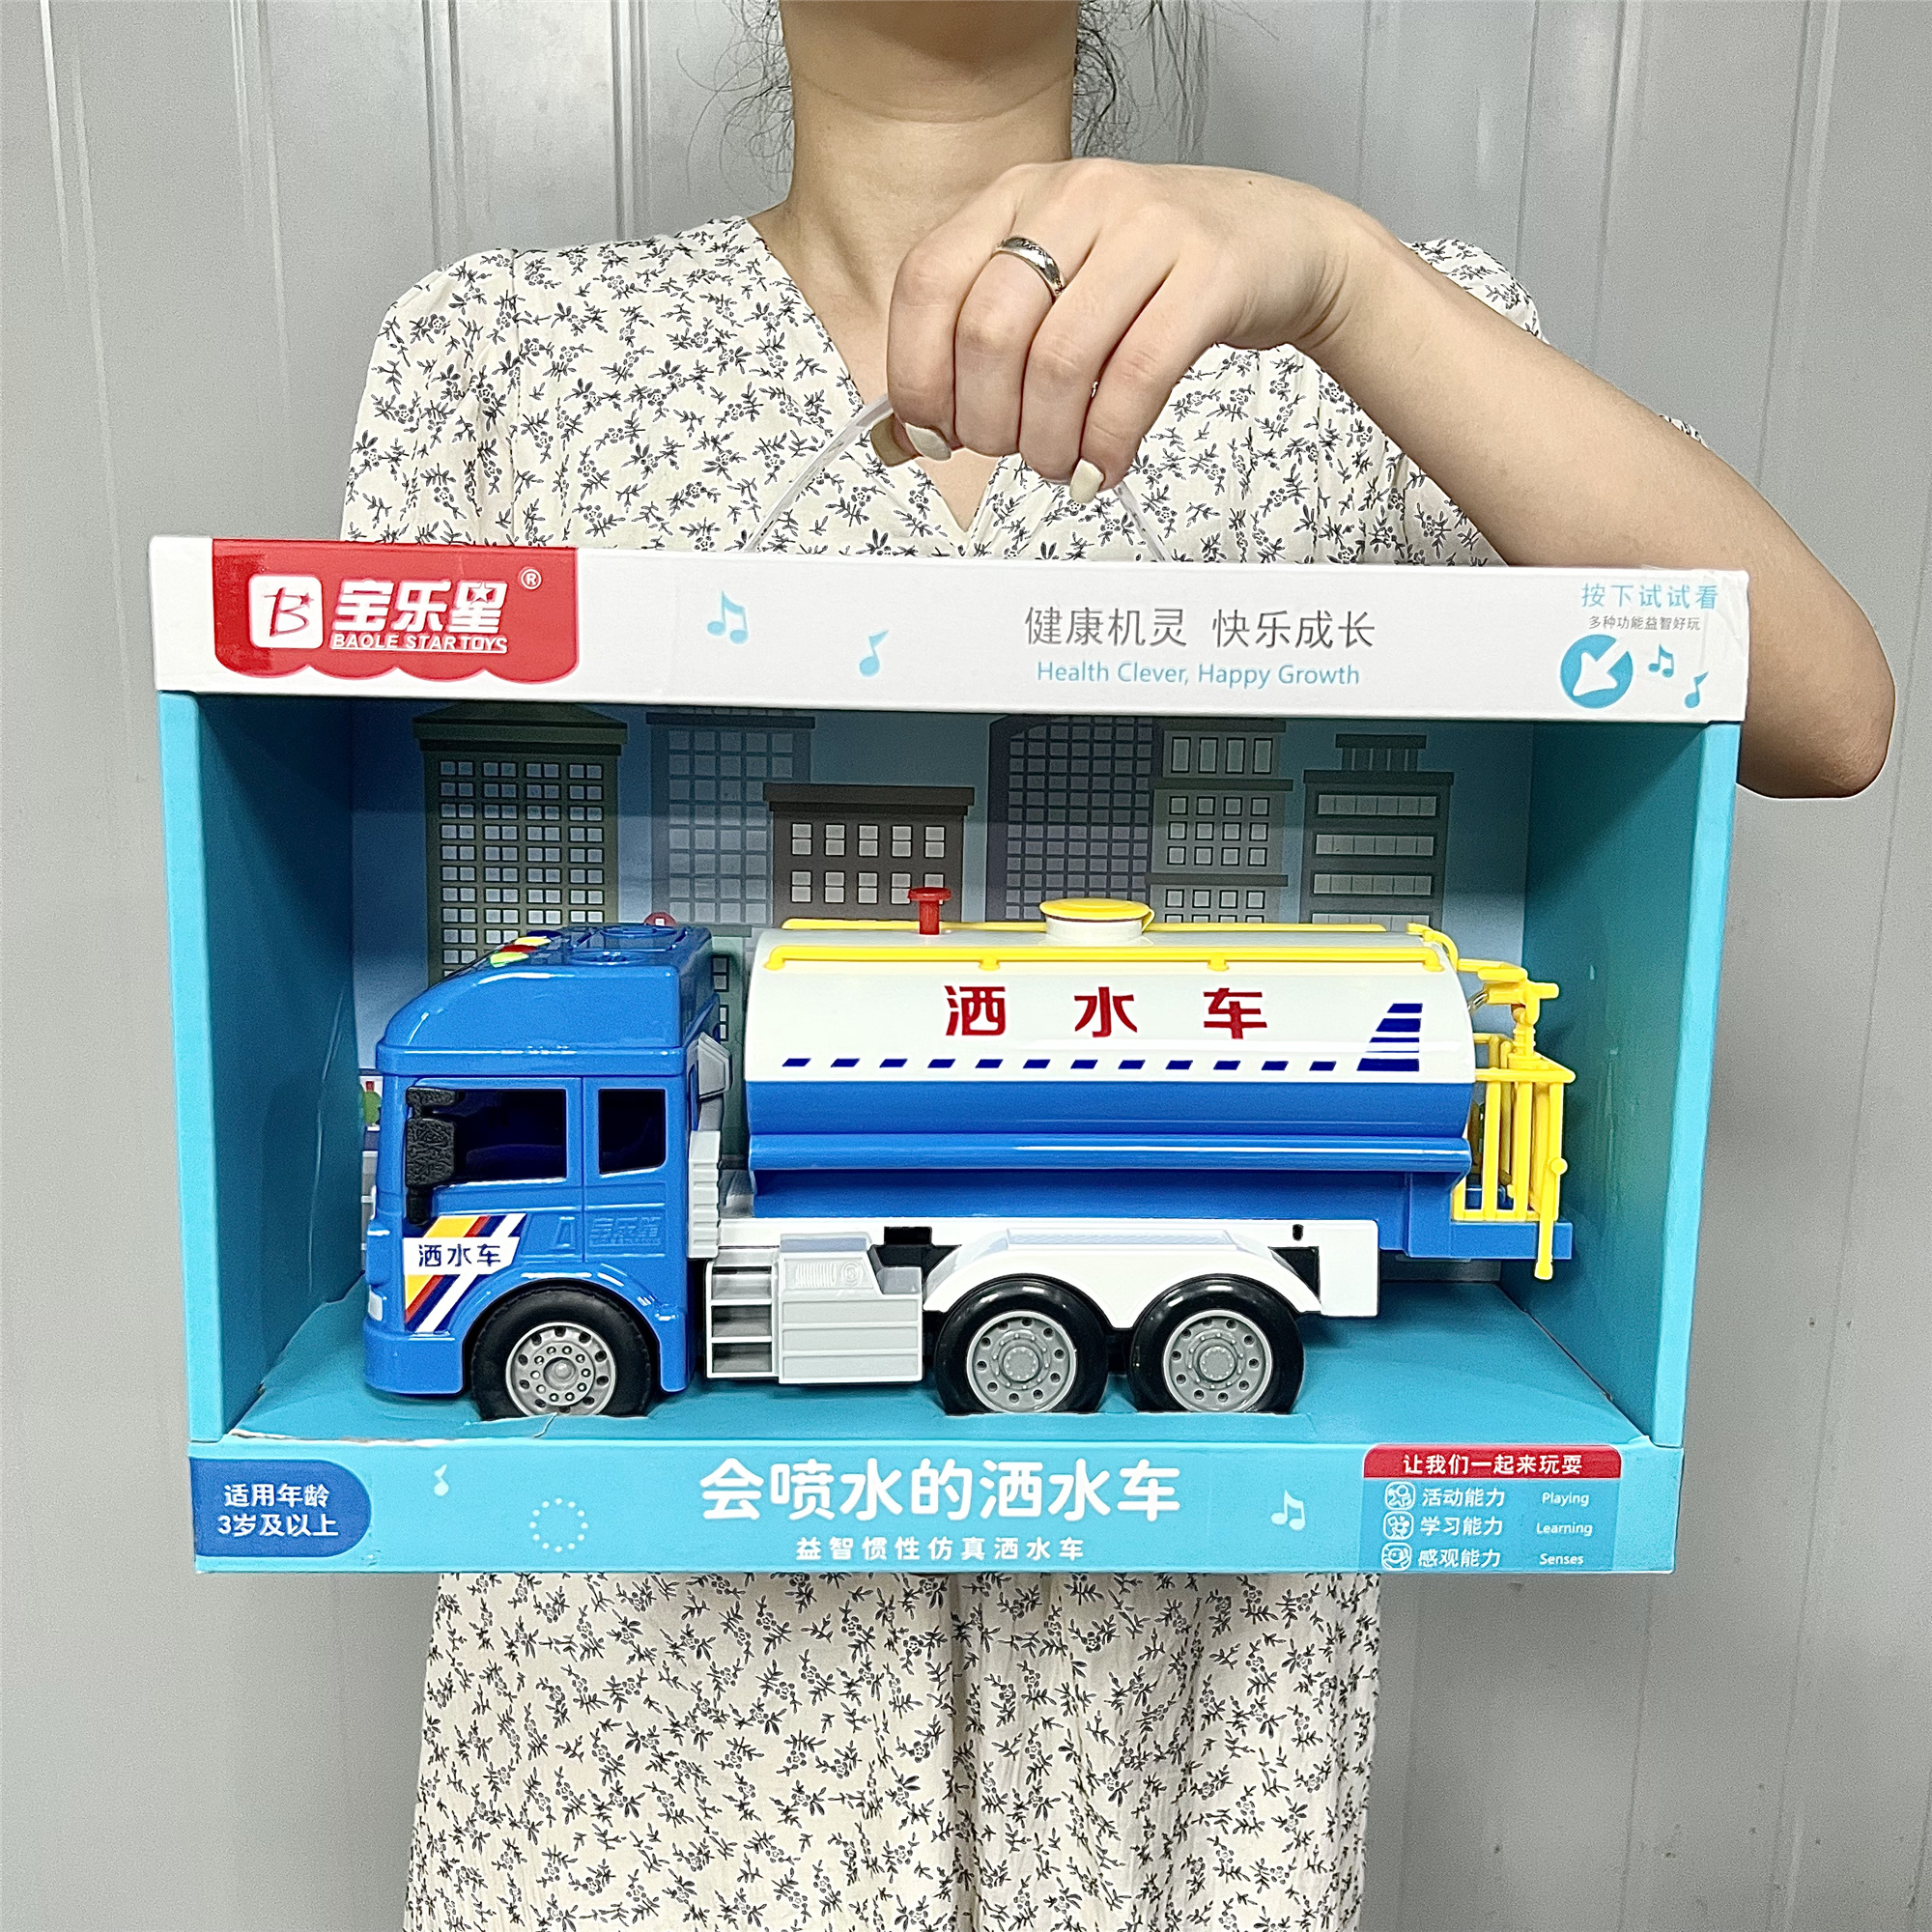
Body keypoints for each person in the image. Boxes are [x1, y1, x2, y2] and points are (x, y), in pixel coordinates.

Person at [345, 6, 1894, 1927]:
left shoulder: (1359, 348)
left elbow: (1820, 709)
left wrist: (1340, 283)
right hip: (641, 1710)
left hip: (1176, 1692)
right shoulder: (504, 359)